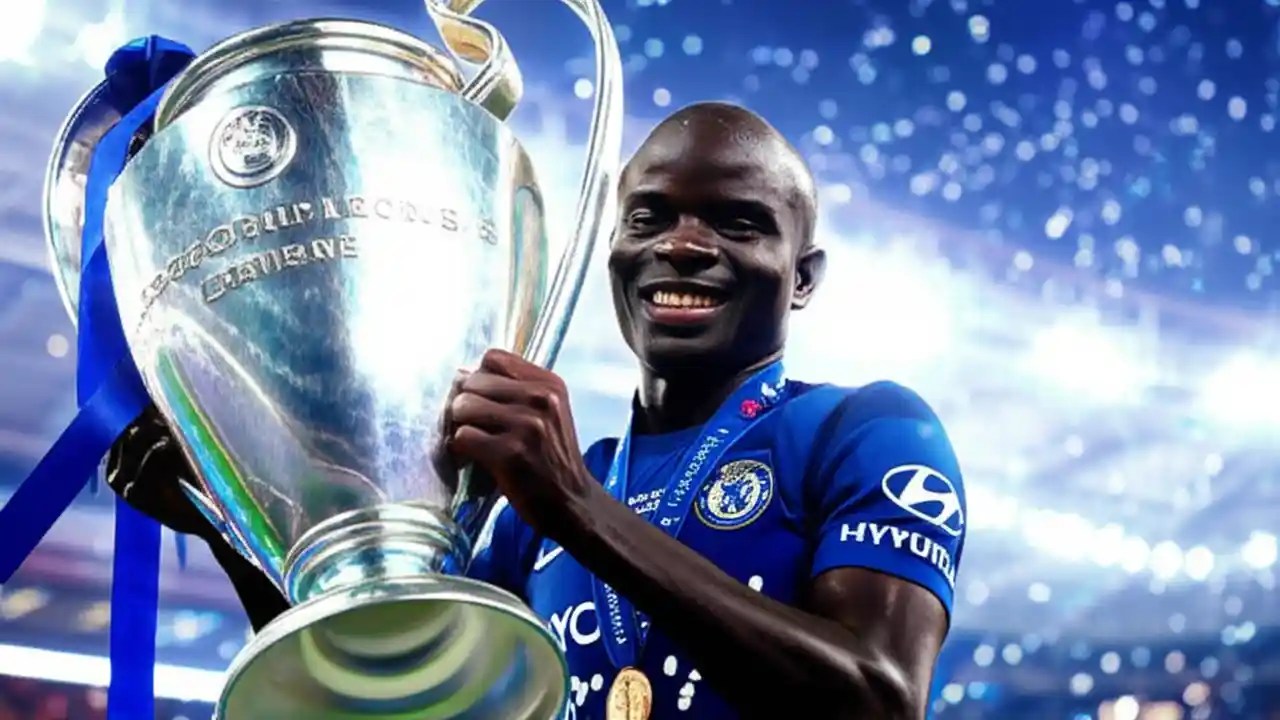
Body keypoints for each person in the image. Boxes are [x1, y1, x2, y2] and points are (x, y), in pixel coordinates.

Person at [107, 102, 967, 720]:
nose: (682, 244)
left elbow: (881, 696)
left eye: (738, 224)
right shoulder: (533, 505)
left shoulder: (869, 430)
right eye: (649, 216)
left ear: (803, 277)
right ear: (614, 252)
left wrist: (580, 510)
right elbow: (397, 702)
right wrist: (233, 522)